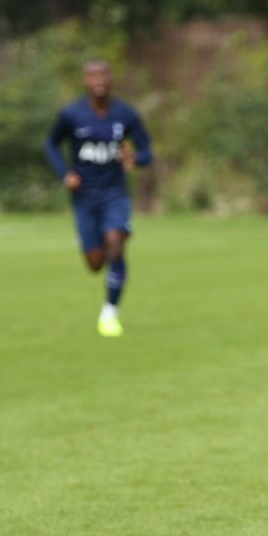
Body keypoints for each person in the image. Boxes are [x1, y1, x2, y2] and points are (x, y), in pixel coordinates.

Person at [44, 59, 153, 337]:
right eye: (93, 76)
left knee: (115, 243)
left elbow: (146, 152)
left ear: (110, 78)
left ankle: (109, 312)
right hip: (84, 197)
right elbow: (51, 144)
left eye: (103, 74)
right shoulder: (71, 114)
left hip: (114, 193)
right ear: (85, 81)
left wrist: (134, 159)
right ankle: (107, 244)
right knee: (95, 264)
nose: (99, 80)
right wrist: (64, 173)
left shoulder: (125, 114)